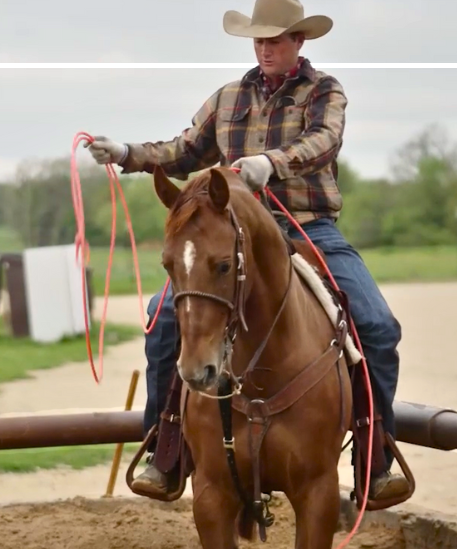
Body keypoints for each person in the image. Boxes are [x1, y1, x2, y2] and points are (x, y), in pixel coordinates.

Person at [86, 0, 409, 503]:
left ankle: (374, 456)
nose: (265, 49)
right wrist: (127, 153)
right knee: (163, 317)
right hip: (232, 233)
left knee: (377, 325)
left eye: (275, 40)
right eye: (259, 40)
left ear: (298, 42)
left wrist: (272, 163)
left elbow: (324, 141)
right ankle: (165, 448)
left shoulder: (324, 91)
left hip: (306, 227)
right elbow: (185, 150)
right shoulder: (228, 97)